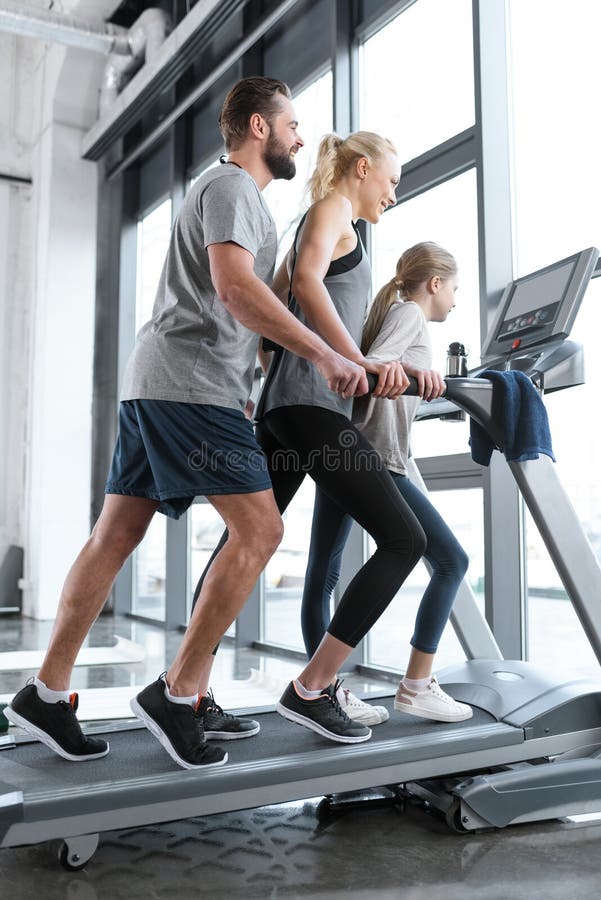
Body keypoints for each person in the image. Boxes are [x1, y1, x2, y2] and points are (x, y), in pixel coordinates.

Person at [5, 77, 368, 770]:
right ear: (257, 128)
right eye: (291, 122)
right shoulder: (232, 189)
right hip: (187, 389)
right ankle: (179, 694)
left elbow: (240, 311)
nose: (299, 134)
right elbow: (234, 292)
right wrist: (321, 354)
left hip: (161, 384)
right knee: (260, 530)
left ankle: (46, 693)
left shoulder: (236, 200)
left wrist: (315, 356)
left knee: (114, 535)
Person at [192, 131, 430, 746]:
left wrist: (353, 367)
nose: (393, 195)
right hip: (312, 411)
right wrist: (351, 361)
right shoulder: (332, 210)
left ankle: (186, 691)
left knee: (241, 545)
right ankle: (312, 690)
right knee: (405, 539)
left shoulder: (308, 220)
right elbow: (305, 281)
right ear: (361, 169)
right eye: (391, 181)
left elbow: (270, 321)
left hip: (284, 410)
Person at [301, 242, 473, 725]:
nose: (456, 300)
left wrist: (416, 377)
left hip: (347, 450)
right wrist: (416, 372)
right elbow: (376, 364)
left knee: (323, 574)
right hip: (376, 460)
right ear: (435, 284)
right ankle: (416, 684)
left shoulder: (392, 311)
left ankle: (322, 690)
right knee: (450, 560)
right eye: (455, 288)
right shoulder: (411, 315)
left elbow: (379, 370)